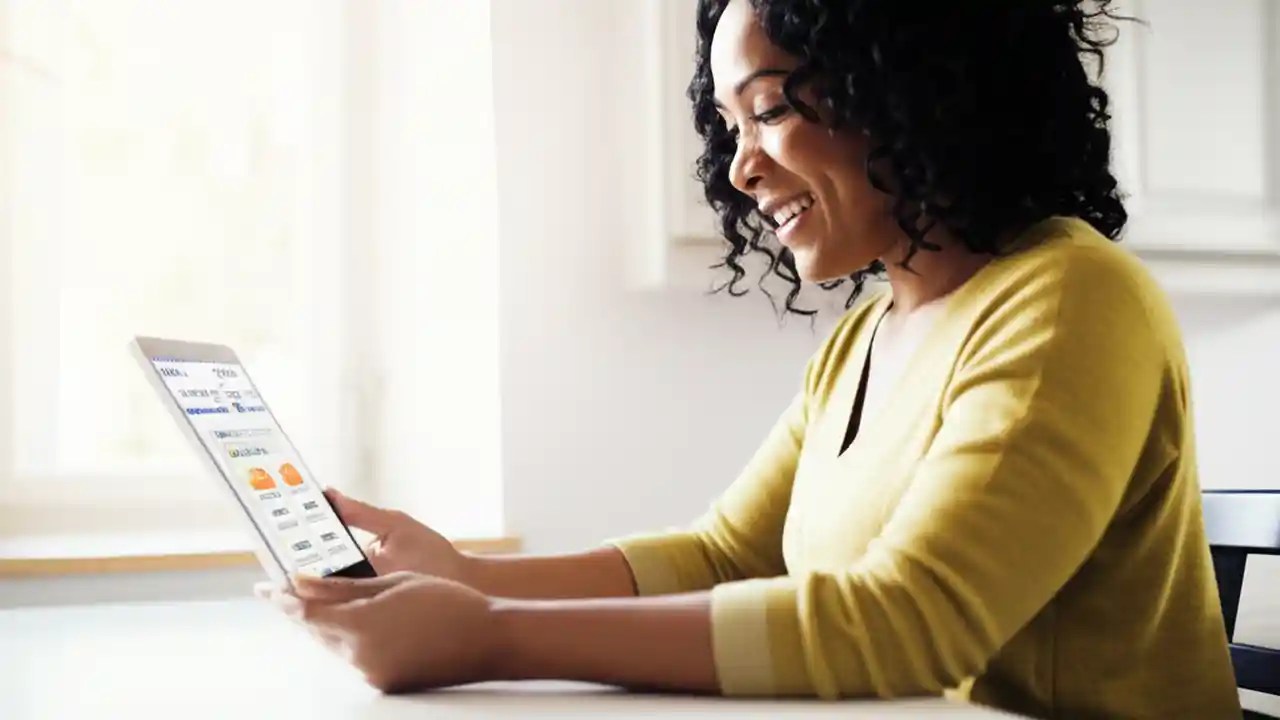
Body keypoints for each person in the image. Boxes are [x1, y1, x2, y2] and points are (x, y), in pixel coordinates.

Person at [260, 1, 1241, 717]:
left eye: (768, 110)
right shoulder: (868, 333)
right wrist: (469, 575)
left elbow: (907, 625)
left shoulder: (1070, 299)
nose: (738, 167)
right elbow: (724, 554)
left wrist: (487, 634)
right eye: (729, 124)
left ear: (904, 91)